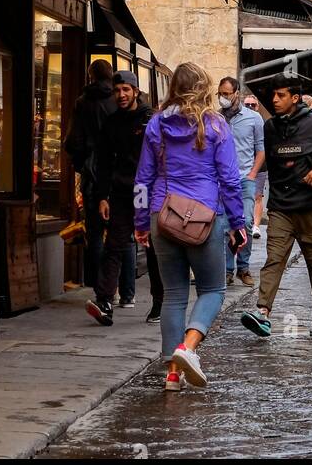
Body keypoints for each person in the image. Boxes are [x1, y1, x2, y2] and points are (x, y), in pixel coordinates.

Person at [133, 63, 244, 391]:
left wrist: (141, 222)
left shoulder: (156, 125)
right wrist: (238, 222)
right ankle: (187, 348)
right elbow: (230, 180)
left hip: (162, 216)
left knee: (174, 294)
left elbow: (142, 180)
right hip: (205, 217)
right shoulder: (216, 125)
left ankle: (171, 374)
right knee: (212, 289)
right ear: (204, 87)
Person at [240, 77, 312, 339]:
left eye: (281, 95)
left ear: (294, 98)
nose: (275, 100)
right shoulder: (270, 127)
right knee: (274, 259)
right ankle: (263, 312)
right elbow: (268, 158)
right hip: (281, 206)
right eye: (274, 96)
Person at [86, 71, 163, 325]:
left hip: (149, 192)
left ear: (135, 92)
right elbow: (105, 162)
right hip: (121, 193)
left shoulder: (151, 119)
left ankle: (159, 301)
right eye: (117, 90)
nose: (121, 95)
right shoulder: (112, 123)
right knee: (114, 246)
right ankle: (105, 301)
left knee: (153, 248)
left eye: (126, 90)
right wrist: (102, 196)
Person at [64, 60, 118, 289]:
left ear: (90, 76)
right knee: (119, 232)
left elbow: (73, 140)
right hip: (117, 172)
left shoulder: (83, 102)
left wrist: (81, 163)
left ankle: (97, 286)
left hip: (92, 174)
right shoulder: (118, 100)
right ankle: (119, 288)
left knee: (94, 231)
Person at [218, 75, 265, 288]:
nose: (223, 98)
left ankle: (243, 267)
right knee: (225, 225)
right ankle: (228, 270)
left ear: (236, 93)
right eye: (220, 94)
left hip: (245, 178)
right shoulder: (215, 118)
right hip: (221, 181)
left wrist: (253, 174)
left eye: (226, 94)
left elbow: (260, 149)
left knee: (245, 222)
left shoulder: (253, 118)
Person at [243, 94, 269, 237]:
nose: (250, 107)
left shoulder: (263, 123)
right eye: (247, 105)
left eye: (253, 105)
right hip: (242, 165)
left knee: (257, 196)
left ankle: (256, 226)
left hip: (259, 166)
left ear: (258, 107)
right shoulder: (239, 121)